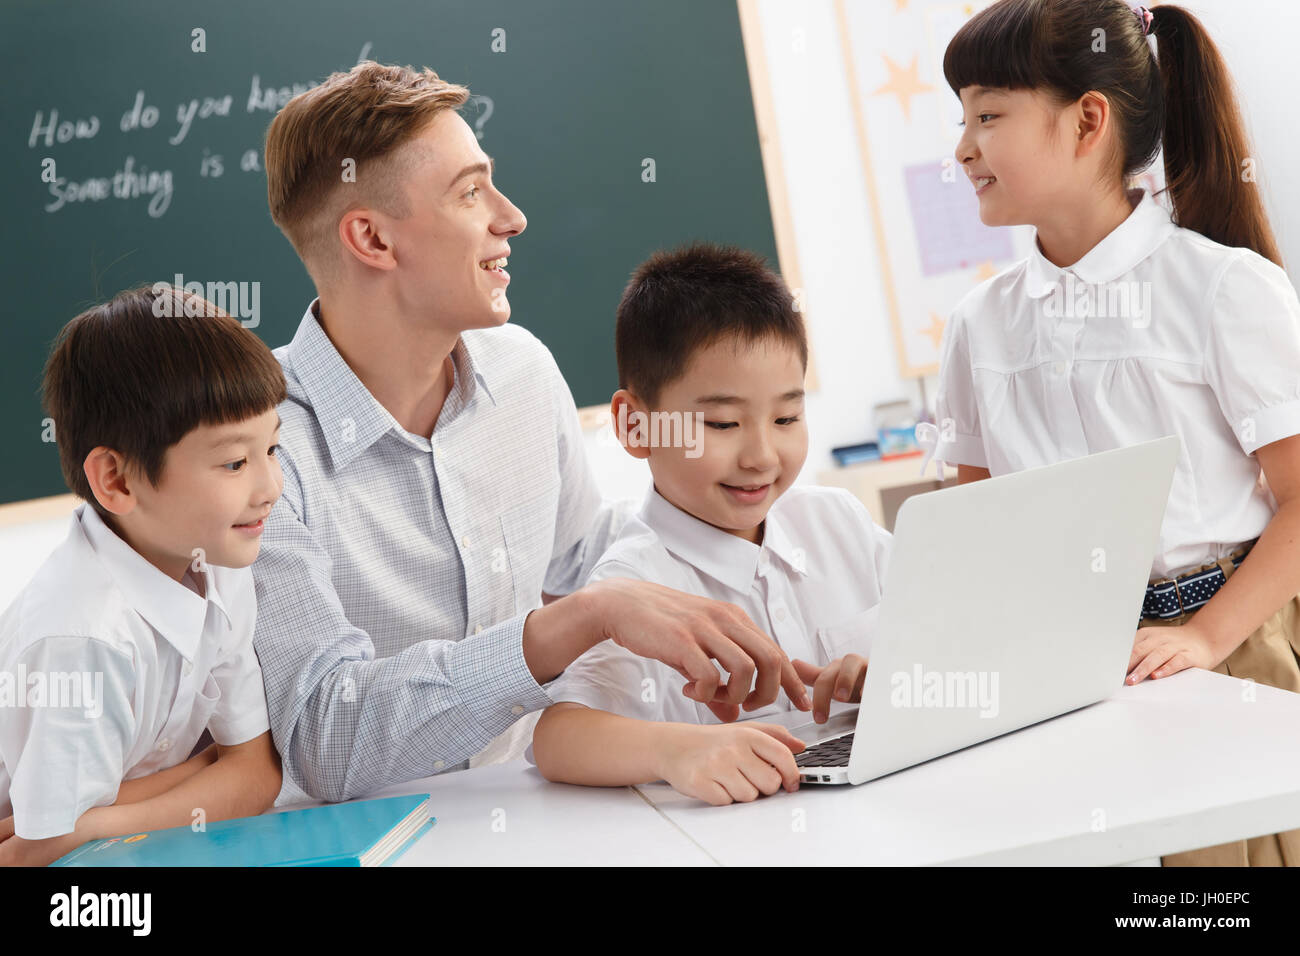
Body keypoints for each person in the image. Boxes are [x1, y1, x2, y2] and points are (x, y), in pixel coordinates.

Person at [255, 63, 810, 803]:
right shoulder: (255, 447)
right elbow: (329, 738)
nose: (510, 217)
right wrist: (580, 620)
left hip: (539, 806)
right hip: (367, 840)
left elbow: (587, 563)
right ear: (372, 240)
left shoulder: (522, 372)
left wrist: (780, 599)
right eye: (469, 192)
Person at [933, 0, 1300, 865]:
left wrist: (1206, 636)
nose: (963, 148)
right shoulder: (978, 327)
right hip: (1074, 681)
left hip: (1234, 652)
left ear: (1087, 121)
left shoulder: (1218, 289)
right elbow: (978, 538)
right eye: (962, 120)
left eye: (988, 116)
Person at [532, 243, 891, 805]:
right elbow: (557, 738)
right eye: (721, 424)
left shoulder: (836, 521)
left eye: (786, 417)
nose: (762, 456)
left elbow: (950, 631)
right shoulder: (633, 583)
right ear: (635, 425)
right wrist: (674, 750)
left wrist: (892, 674)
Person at [0, 285, 283, 866]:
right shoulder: (83, 635)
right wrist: (206, 769)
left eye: (273, 448)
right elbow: (40, 855)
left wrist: (100, 820)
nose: (270, 489)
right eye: (234, 462)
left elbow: (257, 774)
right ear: (118, 481)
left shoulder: (220, 561)